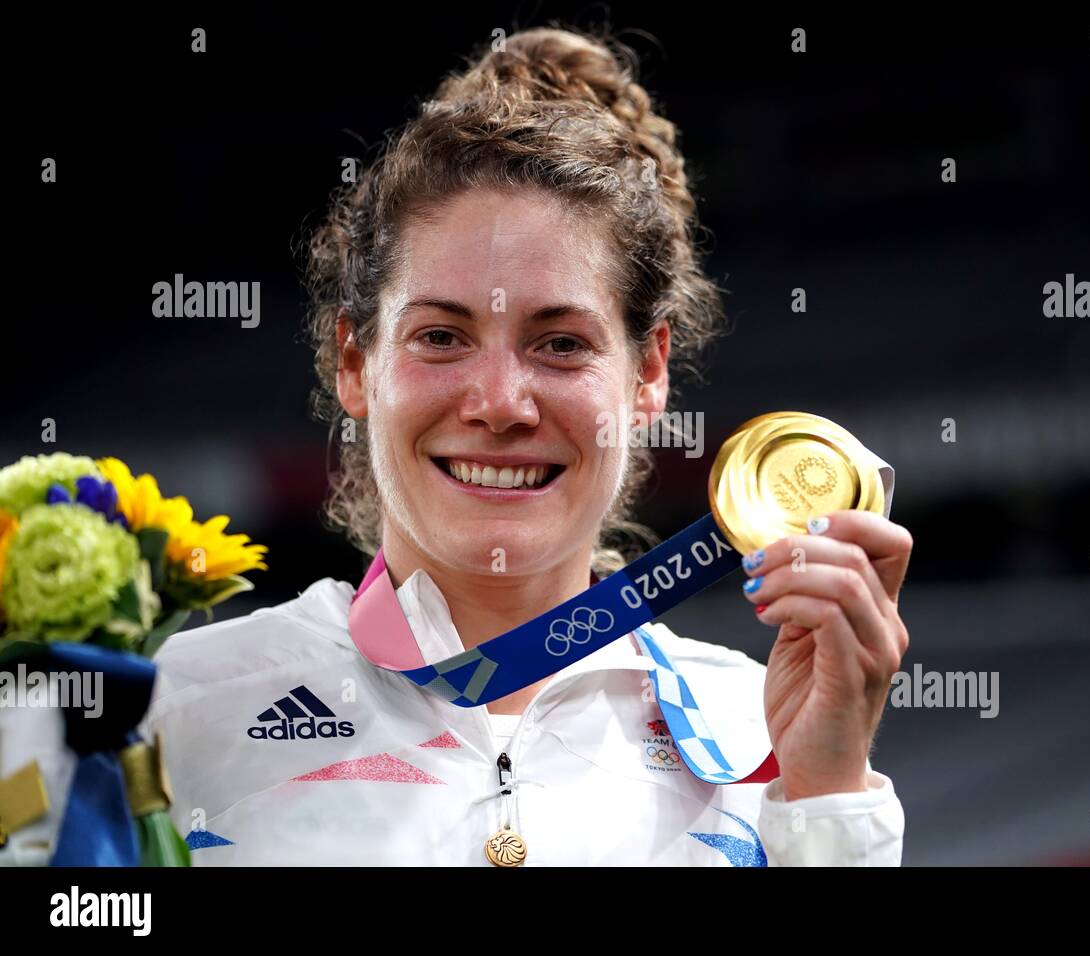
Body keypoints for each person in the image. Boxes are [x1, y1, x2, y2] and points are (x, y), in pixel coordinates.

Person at [144, 25, 914, 866]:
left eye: (561, 344)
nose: (501, 404)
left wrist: (826, 801)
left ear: (647, 374)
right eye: (440, 337)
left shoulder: (762, 728)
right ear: (356, 362)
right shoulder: (177, 709)